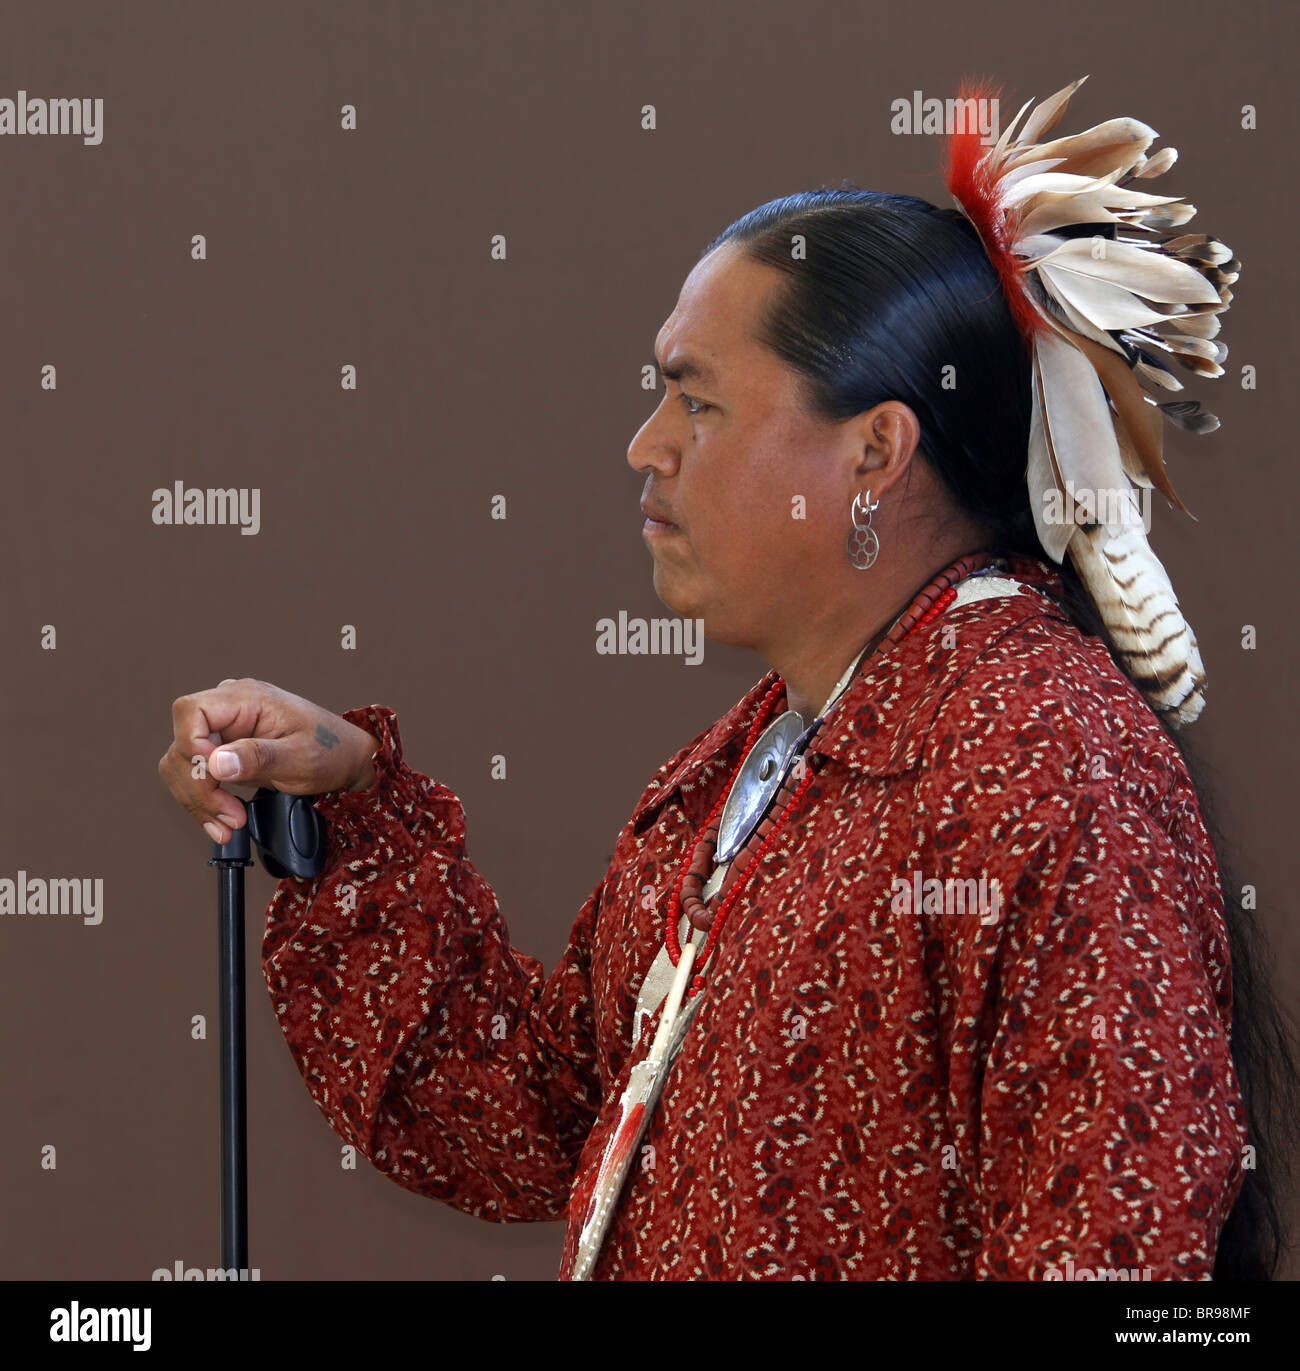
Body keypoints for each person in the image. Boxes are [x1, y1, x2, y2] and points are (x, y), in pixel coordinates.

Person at [157, 79, 1296, 1280]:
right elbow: (530, 1121)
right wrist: (348, 810)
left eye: (697, 400)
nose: (645, 446)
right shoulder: (771, 757)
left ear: (873, 451)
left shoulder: (1050, 769)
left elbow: (1113, 1245)